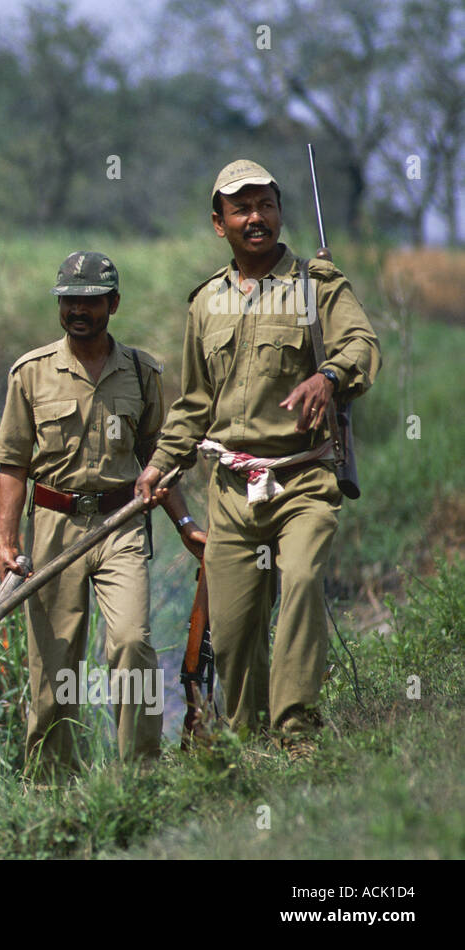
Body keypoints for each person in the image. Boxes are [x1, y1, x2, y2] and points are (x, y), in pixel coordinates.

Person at [136, 159, 380, 756]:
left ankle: (297, 729)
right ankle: (248, 741)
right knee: (236, 626)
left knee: (298, 580)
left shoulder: (318, 286)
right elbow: (194, 404)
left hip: (303, 478)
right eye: (241, 208)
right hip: (231, 489)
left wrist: (329, 376)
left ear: (279, 210)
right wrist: (158, 464)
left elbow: (363, 345)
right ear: (219, 223)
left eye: (265, 204)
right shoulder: (205, 304)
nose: (256, 217)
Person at [0, 250, 205, 777]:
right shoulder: (31, 373)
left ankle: (140, 778)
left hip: (121, 525)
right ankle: (48, 790)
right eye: (69, 300)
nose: (78, 310)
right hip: (53, 530)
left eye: (90, 300)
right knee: (54, 665)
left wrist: (184, 525)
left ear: (113, 302)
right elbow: (12, 464)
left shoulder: (140, 370)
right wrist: (6, 541)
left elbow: (160, 454)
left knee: (132, 644)